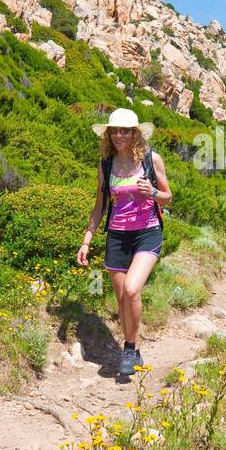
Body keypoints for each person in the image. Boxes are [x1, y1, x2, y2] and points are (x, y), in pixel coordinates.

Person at [77, 108, 172, 377]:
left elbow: (168, 197)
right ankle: (136, 350)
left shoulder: (151, 160)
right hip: (117, 236)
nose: (119, 135)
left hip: (147, 232)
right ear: (109, 134)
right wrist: (86, 240)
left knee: (132, 289)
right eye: (114, 131)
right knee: (121, 302)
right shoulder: (106, 165)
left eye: (125, 131)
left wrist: (152, 192)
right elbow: (100, 206)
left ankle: (129, 348)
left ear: (135, 134)